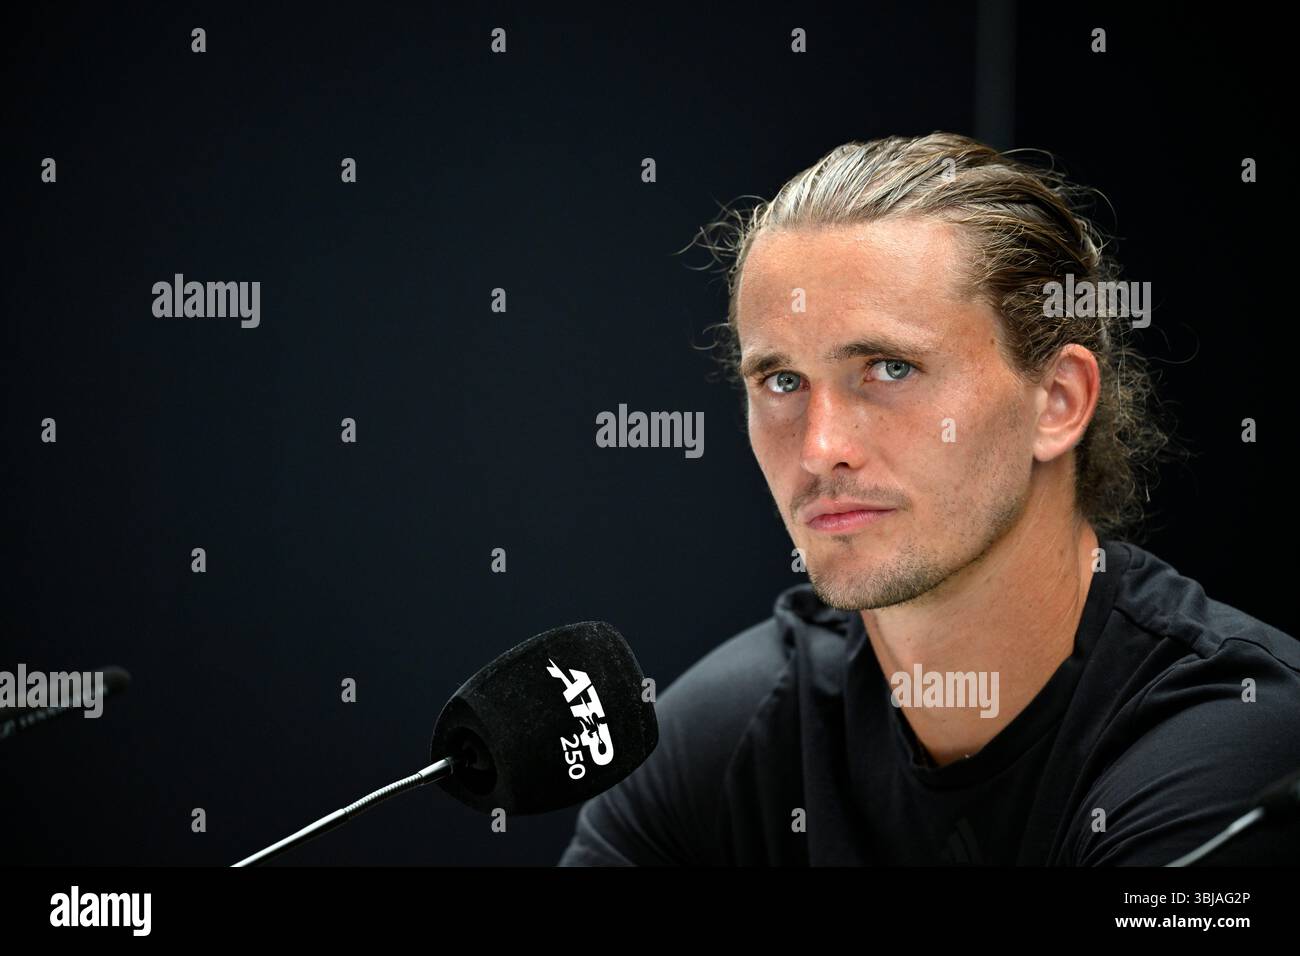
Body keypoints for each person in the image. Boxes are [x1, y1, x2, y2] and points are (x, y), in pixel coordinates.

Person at [558, 132, 1300, 865]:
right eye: (782, 382)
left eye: (889, 369)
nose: (820, 450)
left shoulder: (1232, 742)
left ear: (1057, 401)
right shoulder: (735, 732)